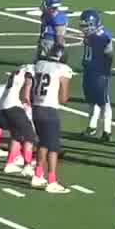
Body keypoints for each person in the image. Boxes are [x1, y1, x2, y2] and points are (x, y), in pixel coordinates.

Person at [30, 41, 74, 192]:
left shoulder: (40, 64)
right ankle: (52, 180)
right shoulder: (63, 69)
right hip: (49, 110)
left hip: (36, 108)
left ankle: (38, 174)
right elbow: (63, 99)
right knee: (54, 147)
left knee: (43, 143)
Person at [80, 9, 115, 140]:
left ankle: (107, 131)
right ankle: (92, 126)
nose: (83, 28)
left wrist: (104, 69)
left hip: (100, 73)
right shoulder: (91, 35)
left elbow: (109, 55)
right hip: (89, 71)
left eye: (85, 25)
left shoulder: (103, 36)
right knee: (91, 100)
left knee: (103, 102)